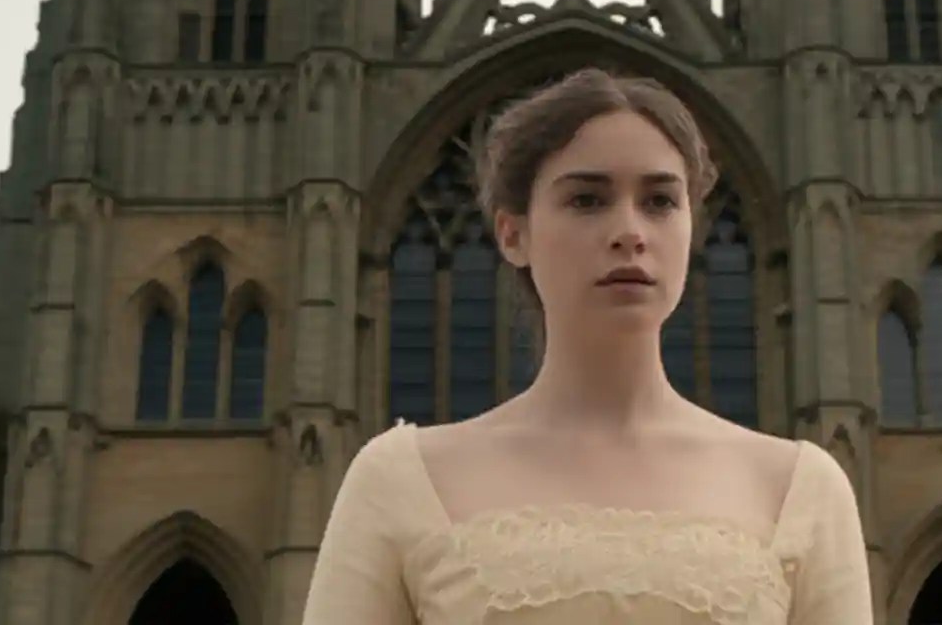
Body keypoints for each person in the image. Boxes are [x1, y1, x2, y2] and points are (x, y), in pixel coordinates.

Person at [301, 68, 874, 624]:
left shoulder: (800, 489)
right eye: (587, 200)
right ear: (513, 234)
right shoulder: (400, 479)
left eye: (659, 202)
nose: (630, 231)